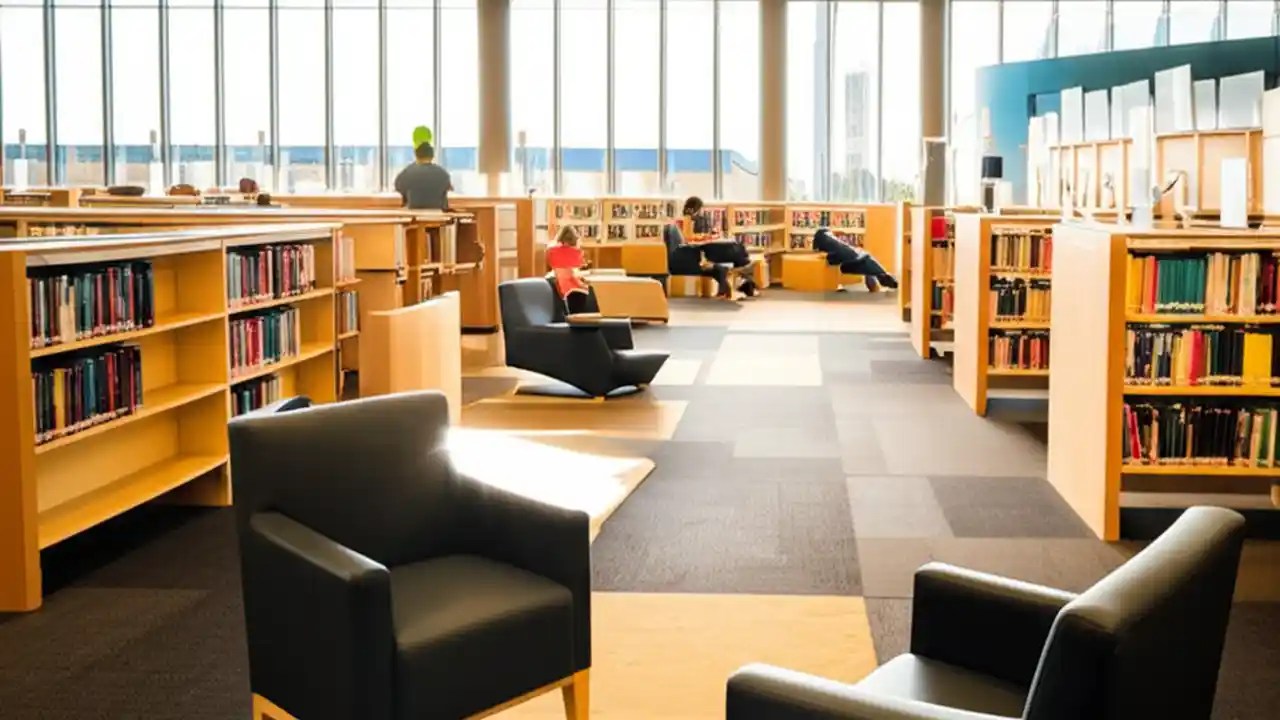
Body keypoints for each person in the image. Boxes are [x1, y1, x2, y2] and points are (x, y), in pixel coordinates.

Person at [664, 198, 732, 299]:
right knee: (718, 268)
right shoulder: (688, 219)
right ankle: (724, 292)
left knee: (718, 268)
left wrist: (703, 237)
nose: (701, 212)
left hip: (681, 259)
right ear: (694, 209)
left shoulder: (681, 220)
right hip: (686, 261)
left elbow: (687, 237)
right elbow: (688, 237)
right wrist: (705, 237)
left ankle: (723, 292)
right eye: (700, 209)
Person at [812, 227, 898, 292]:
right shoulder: (827, 237)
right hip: (849, 258)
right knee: (868, 264)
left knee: (868, 265)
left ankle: (879, 282)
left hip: (848, 257)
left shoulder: (826, 237)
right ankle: (880, 282)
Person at [546, 226, 595, 315]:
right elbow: (576, 269)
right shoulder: (576, 252)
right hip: (573, 287)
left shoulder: (551, 251)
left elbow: (554, 266)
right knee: (591, 291)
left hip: (558, 287)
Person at [393, 142, 452, 210]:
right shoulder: (443, 174)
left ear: (416, 155)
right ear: (432, 156)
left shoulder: (407, 172)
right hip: (438, 216)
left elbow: (398, 188)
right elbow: (447, 189)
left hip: (413, 215)